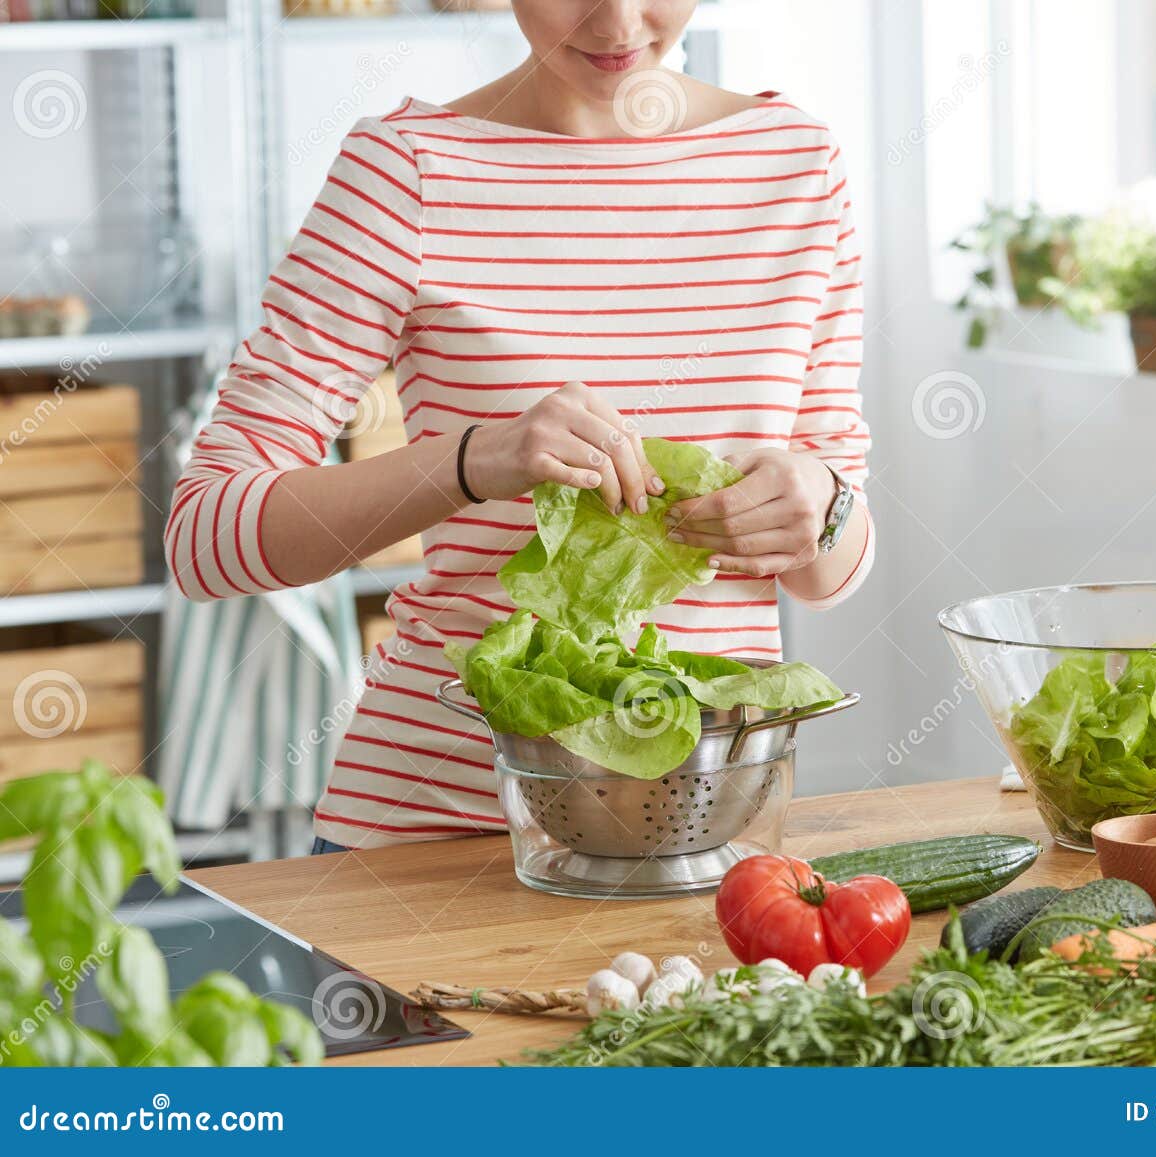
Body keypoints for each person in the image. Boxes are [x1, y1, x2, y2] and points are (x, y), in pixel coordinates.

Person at [165, 0, 873, 851]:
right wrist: (471, 461)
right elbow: (204, 537)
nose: (616, 23)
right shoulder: (409, 171)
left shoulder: (795, 164)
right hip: (438, 832)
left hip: (702, 830)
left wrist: (822, 504)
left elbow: (830, 569)